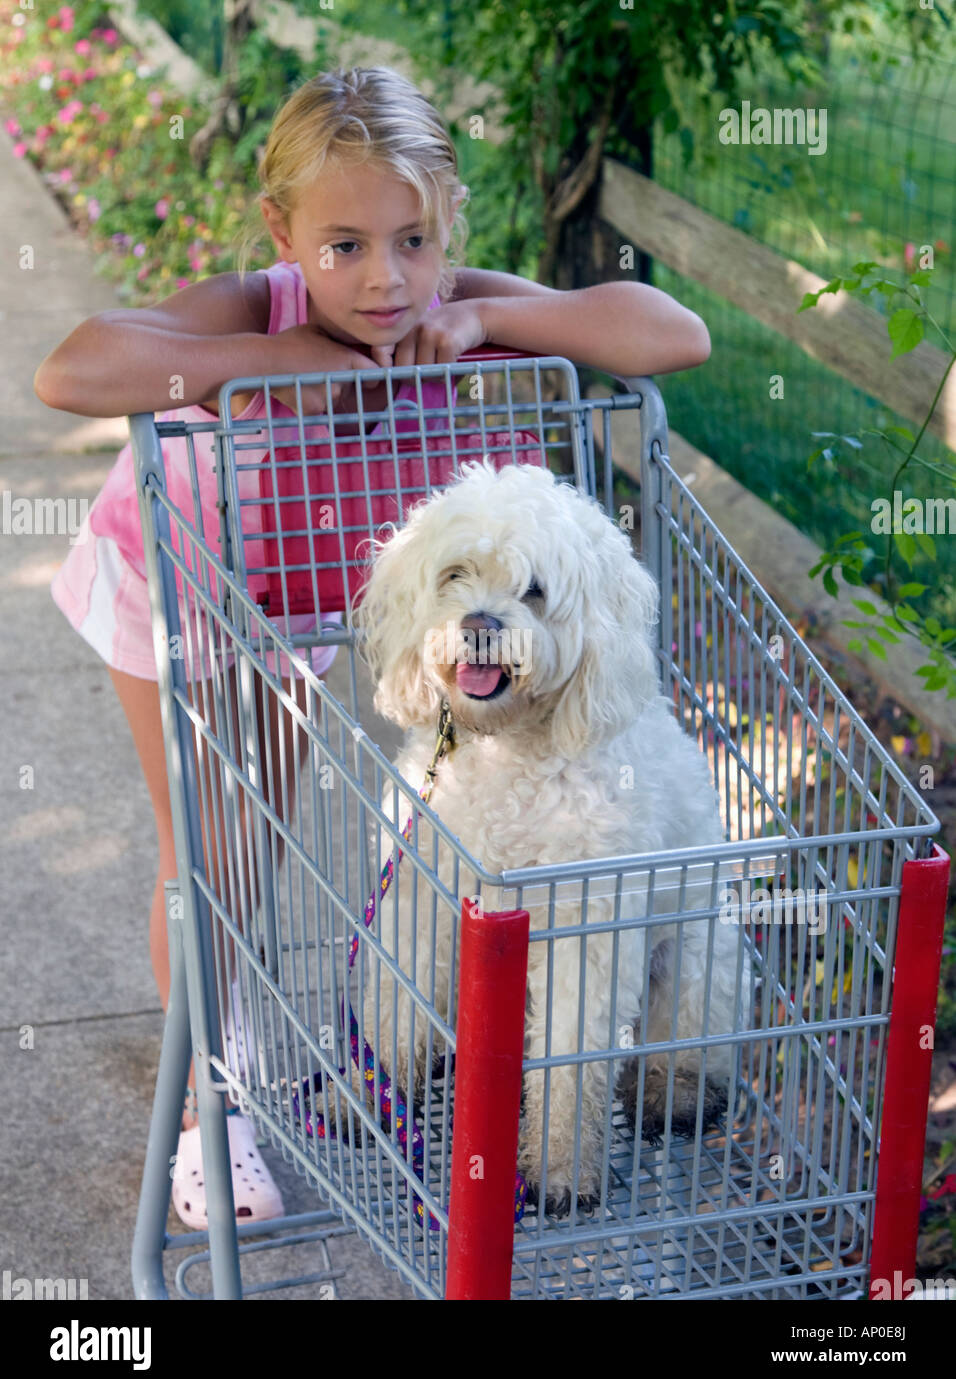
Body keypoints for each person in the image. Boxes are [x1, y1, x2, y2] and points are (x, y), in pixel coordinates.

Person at [34, 65, 712, 1230]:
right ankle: (211, 1112)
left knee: (310, 820)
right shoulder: (258, 308)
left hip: (318, 597)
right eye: (341, 245)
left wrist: (491, 316)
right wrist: (269, 361)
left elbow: (671, 334)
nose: (383, 278)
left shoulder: (452, 309)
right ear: (283, 234)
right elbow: (73, 369)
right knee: (223, 846)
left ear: (444, 222)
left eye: (410, 240)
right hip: (193, 591)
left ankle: (381, 1040)